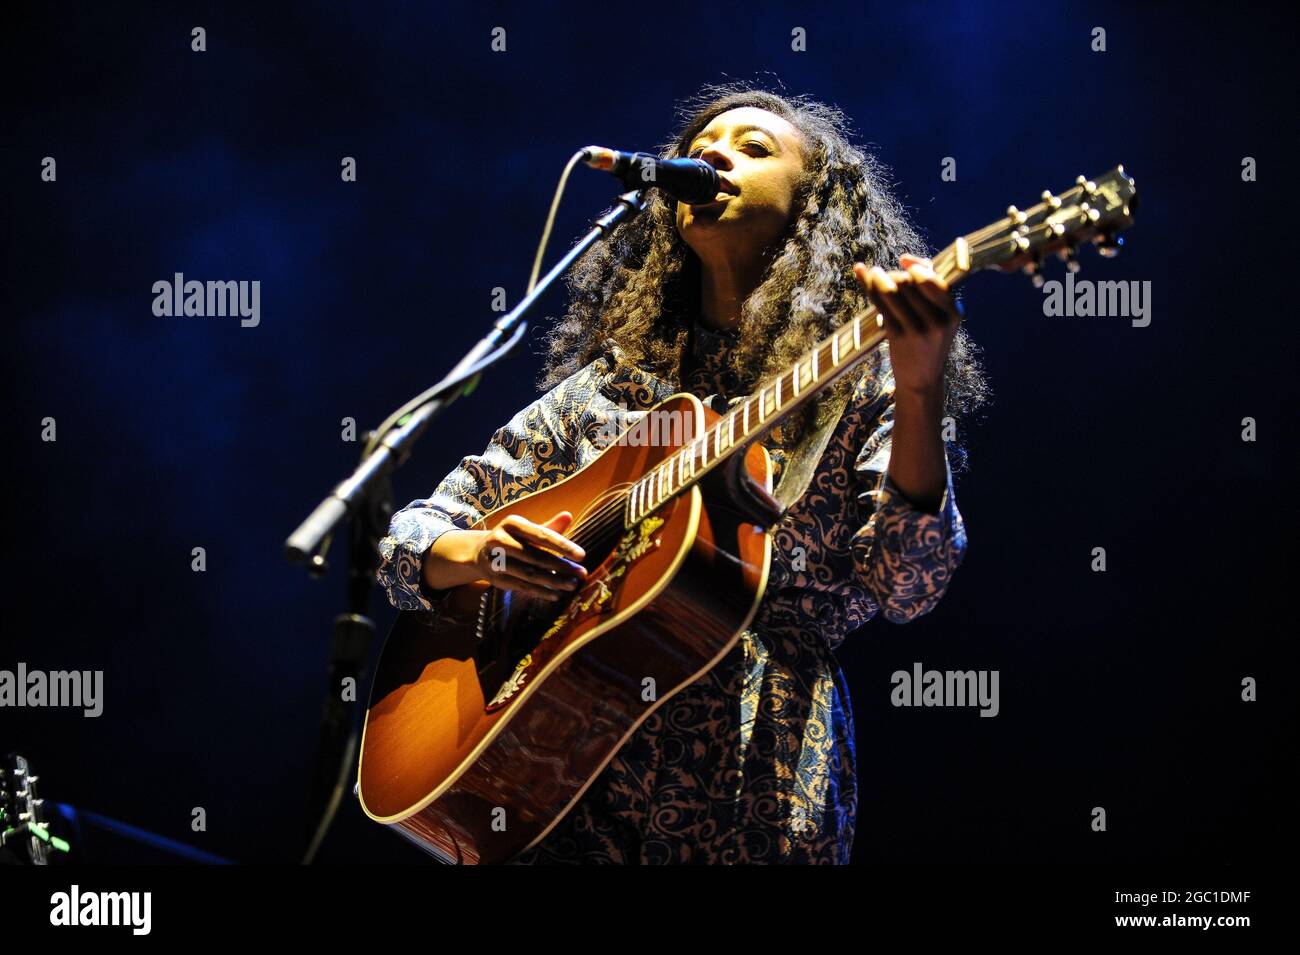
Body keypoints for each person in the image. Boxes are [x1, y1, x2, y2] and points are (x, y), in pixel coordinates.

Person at [376, 82, 990, 863]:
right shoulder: (608, 394)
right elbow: (411, 534)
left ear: (813, 208)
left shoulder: (861, 374)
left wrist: (920, 384)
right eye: (704, 144)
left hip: (751, 786)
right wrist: (478, 555)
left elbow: (908, 585)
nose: (714, 153)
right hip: (555, 782)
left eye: (753, 148)